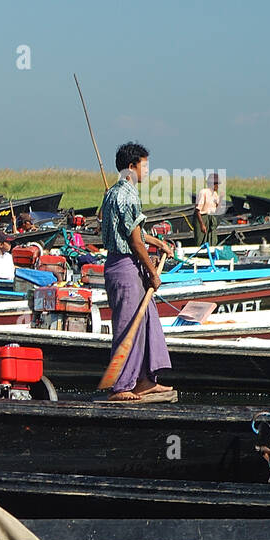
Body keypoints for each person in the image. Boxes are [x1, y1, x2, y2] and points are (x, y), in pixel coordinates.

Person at [100, 141, 177, 402]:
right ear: (131, 167)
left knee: (147, 321)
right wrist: (153, 272)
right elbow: (133, 242)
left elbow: (137, 233)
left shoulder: (114, 193)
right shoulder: (127, 195)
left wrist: (158, 243)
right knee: (128, 326)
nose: (147, 171)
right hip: (124, 267)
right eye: (144, 166)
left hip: (125, 266)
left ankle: (145, 380)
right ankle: (121, 385)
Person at [192, 172, 221, 246]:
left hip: (210, 218)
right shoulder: (203, 192)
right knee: (200, 240)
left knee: (211, 239)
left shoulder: (215, 194)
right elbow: (197, 210)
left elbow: (216, 208)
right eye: (216, 184)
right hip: (201, 218)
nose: (217, 186)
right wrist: (202, 225)